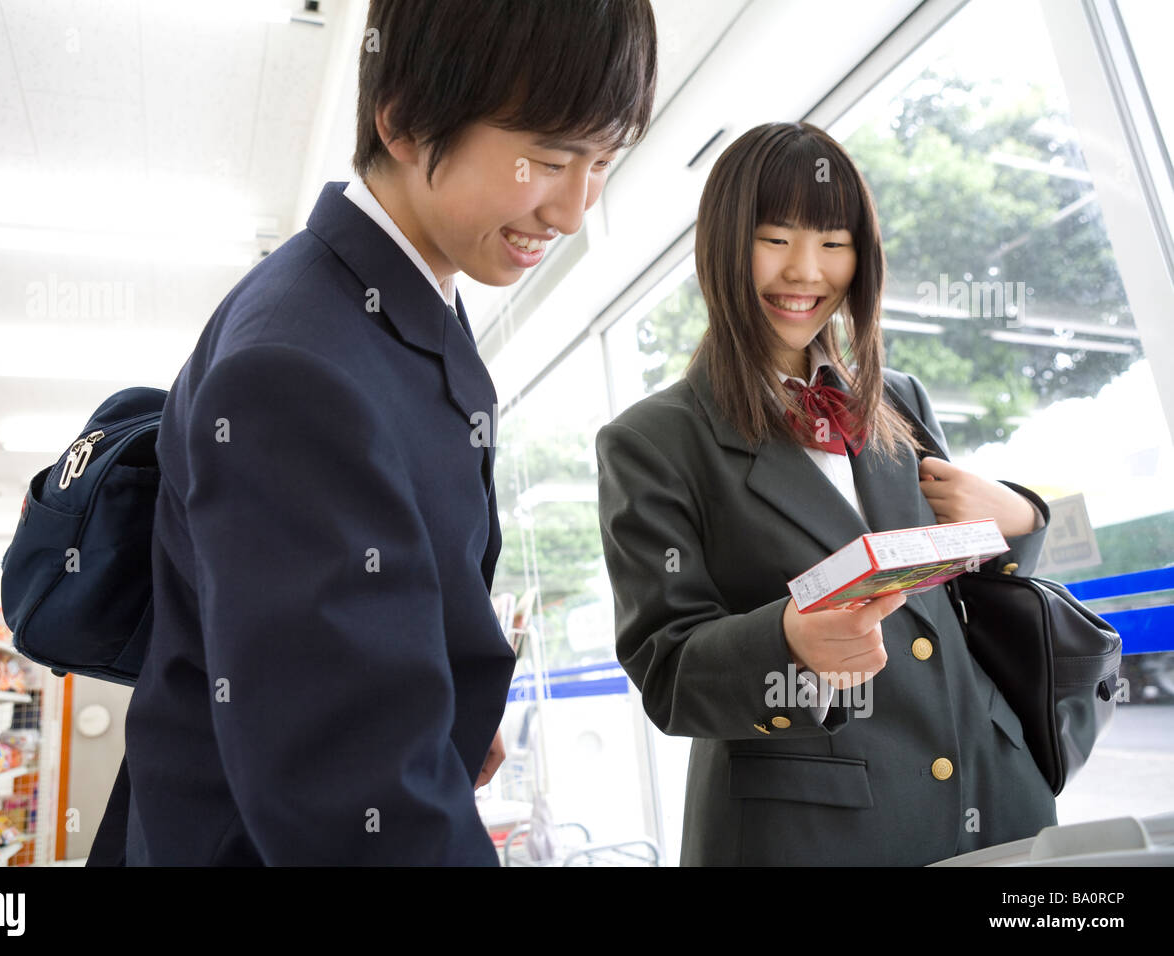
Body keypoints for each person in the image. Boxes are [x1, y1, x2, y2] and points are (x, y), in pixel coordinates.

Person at [87, 0, 657, 865]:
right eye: (546, 160)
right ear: (403, 120)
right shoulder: (295, 365)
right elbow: (347, 795)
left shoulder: (401, 302)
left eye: (603, 163)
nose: (573, 211)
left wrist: (446, 712)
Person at [595, 121, 1056, 866]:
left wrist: (1021, 519)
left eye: (833, 243)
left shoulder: (897, 399)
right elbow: (666, 667)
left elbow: (961, 576)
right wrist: (790, 644)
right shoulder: (652, 440)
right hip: (818, 832)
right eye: (775, 239)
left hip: (992, 793)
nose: (805, 271)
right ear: (721, 246)